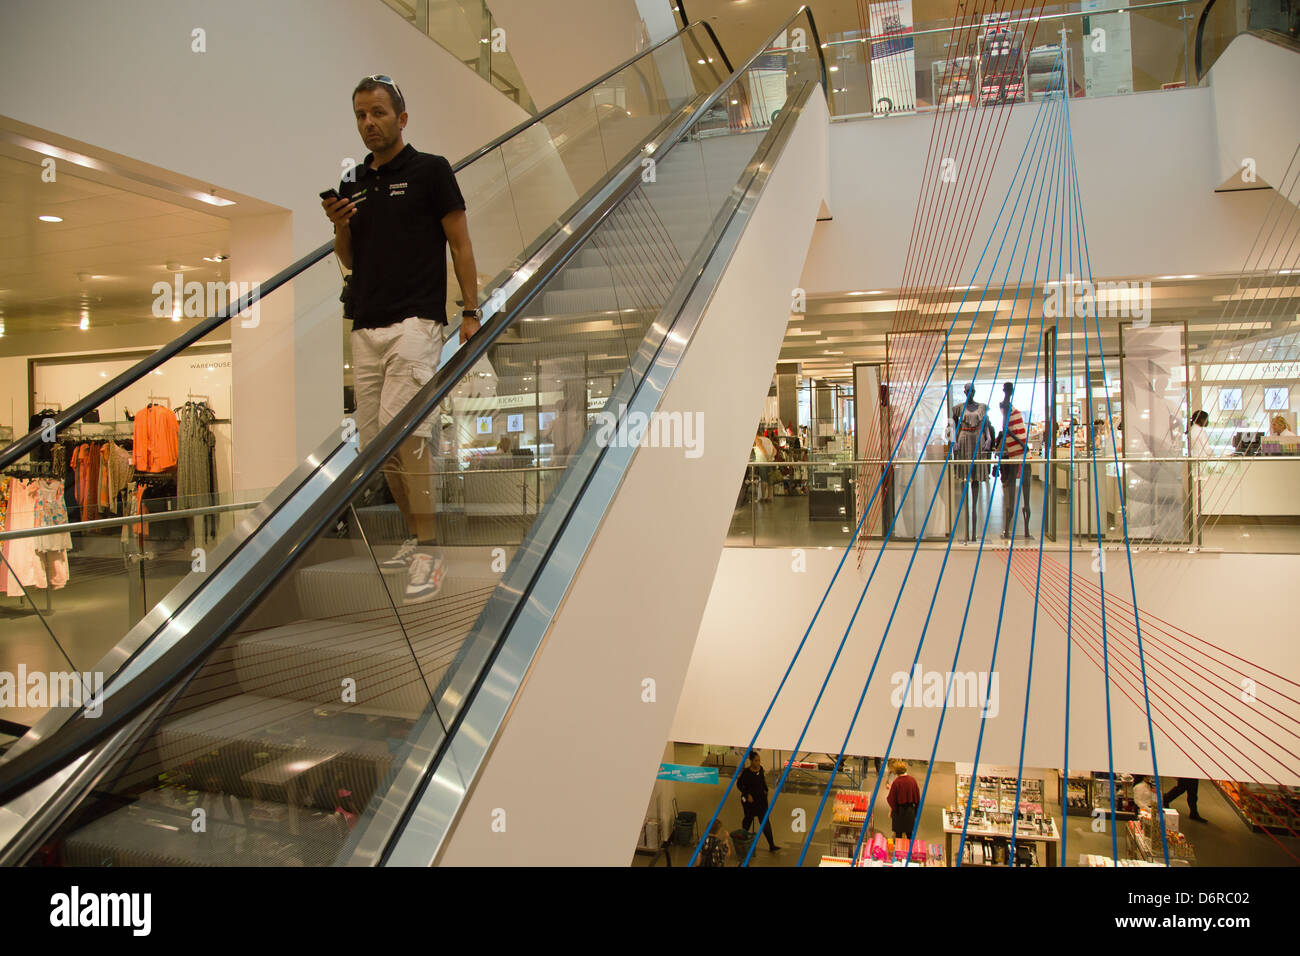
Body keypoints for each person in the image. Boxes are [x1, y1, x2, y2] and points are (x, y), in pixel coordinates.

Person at [323, 74, 481, 602]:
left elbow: (459, 243)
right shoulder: (352, 181)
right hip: (365, 323)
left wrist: (471, 309)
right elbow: (348, 258)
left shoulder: (431, 171)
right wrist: (339, 225)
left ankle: (431, 550)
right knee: (375, 447)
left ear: (402, 118)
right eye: (361, 116)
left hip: (417, 321)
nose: (369, 123)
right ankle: (415, 537)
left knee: (406, 431)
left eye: (378, 113)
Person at [996, 382, 1031, 539]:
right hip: (1017, 450)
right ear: (1004, 390)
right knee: (1011, 491)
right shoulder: (1004, 406)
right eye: (1007, 389)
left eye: (1010, 389)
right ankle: (1007, 529)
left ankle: (1026, 531)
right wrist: (1022, 444)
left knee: (1026, 492)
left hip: (1023, 452)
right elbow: (1006, 429)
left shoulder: (1010, 407)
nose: (1009, 392)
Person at [737, 751, 780, 851]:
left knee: (765, 822)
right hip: (750, 803)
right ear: (751, 761)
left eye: (759, 760)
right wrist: (747, 794)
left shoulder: (761, 770)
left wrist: (766, 790)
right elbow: (739, 785)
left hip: (761, 801)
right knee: (747, 821)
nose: (758, 763)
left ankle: (771, 845)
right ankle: (742, 842)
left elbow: (762, 781)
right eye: (756, 761)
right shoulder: (746, 773)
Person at [886, 759, 921, 839]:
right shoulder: (912, 780)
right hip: (910, 811)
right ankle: (909, 850)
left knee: (898, 835)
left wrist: (892, 811)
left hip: (899, 812)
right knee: (910, 834)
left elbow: (892, 799)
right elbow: (917, 798)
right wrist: (915, 811)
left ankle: (899, 850)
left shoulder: (896, 782)